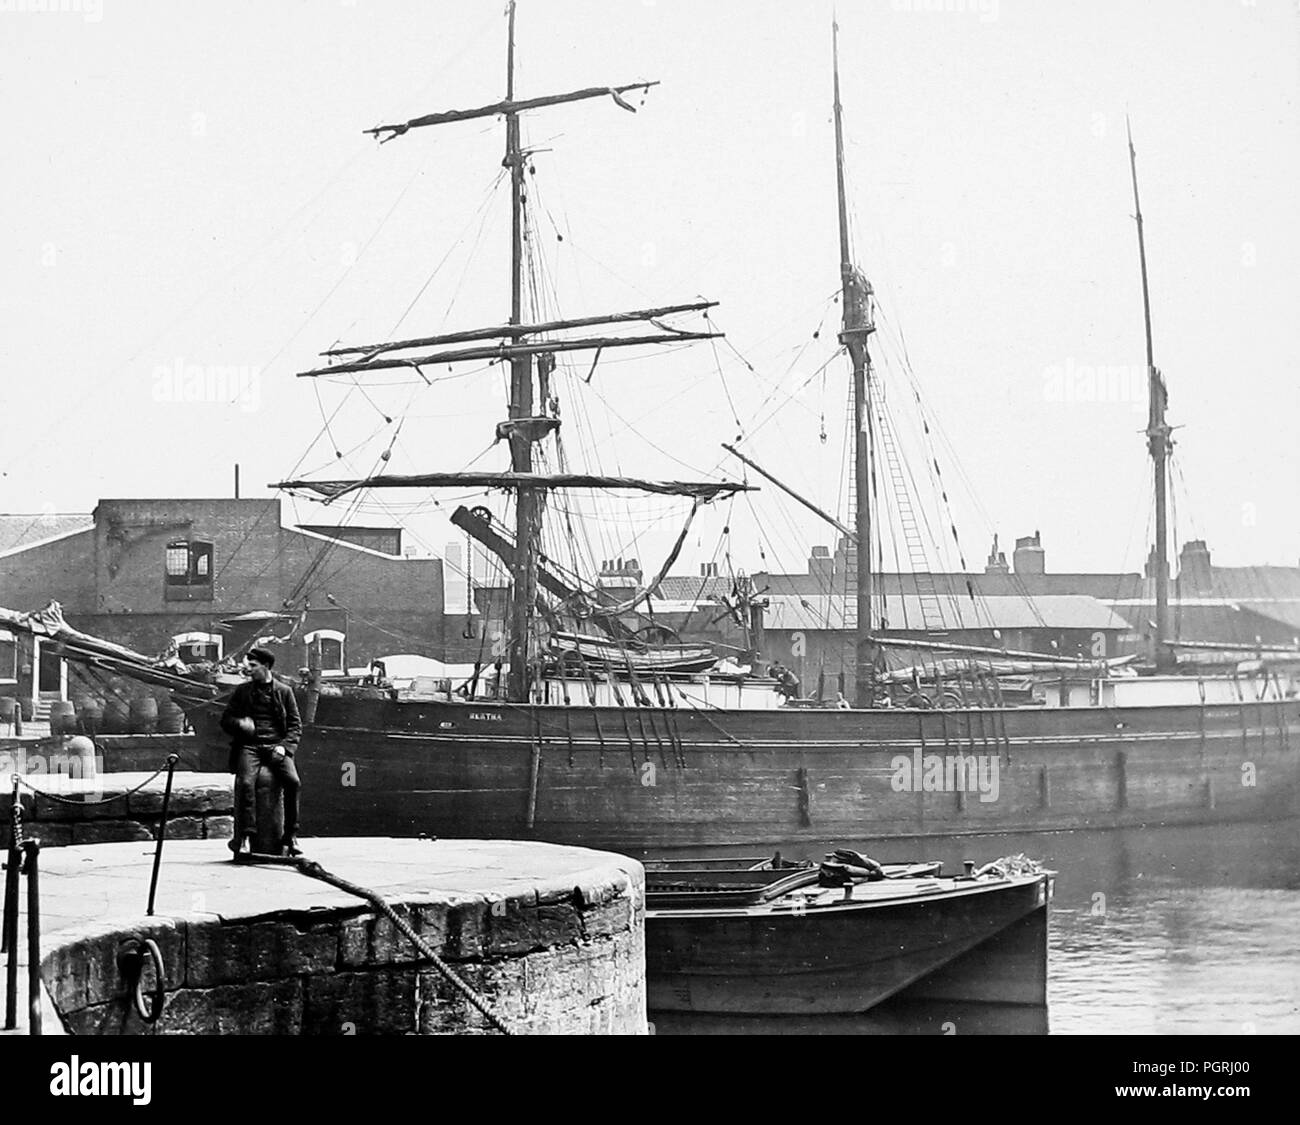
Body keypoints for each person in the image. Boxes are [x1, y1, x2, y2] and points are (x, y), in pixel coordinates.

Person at [220, 647, 303, 857]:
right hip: (250, 746)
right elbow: (225, 720)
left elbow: (295, 725)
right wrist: (240, 724)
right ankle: (246, 836)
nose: (249, 669)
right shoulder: (242, 692)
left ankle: (290, 837)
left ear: (266, 666)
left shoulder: (285, 691)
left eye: (253, 666)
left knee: (293, 782)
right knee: (246, 783)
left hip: (276, 745)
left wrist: (284, 747)